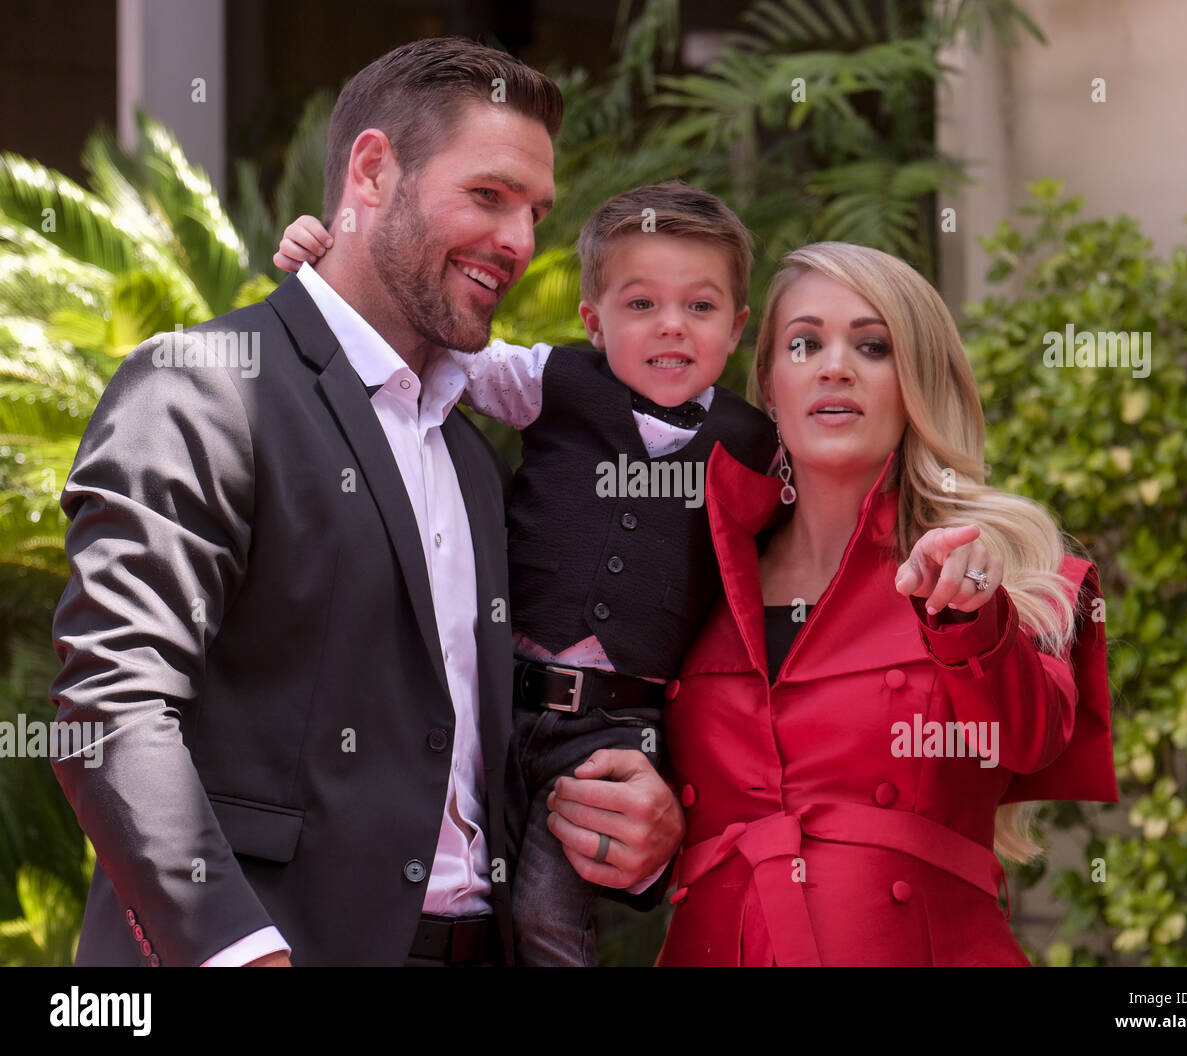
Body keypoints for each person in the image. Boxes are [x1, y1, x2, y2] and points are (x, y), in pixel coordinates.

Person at [47, 36, 681, 968]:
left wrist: (636, 825)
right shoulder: (203, 388)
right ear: (373, 171)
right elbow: (112, 707)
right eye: (488, 195)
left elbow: (474, 748)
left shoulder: (474, 459)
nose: (519, 241)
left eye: (536, 212)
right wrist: (236, 951)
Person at [276, 180, 777, 965]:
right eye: (640, 304)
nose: (672, 326)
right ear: (593, 320)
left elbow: (833, 523)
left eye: (701, 308)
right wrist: (327, 264)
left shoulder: (753, 445)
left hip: (616, 732)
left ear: (738, 326)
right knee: (459, 882)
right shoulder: (553, 382)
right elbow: (418, 343)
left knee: (546, 912)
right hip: (496, 708)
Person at [652, 242, 1119, 966]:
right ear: (771, 385)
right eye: (805, 343)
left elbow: (1031, 737)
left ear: (917, 383)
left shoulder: (994, 567)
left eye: (872, 346)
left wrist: (969, 616)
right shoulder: (694, 573)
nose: (834, 365)